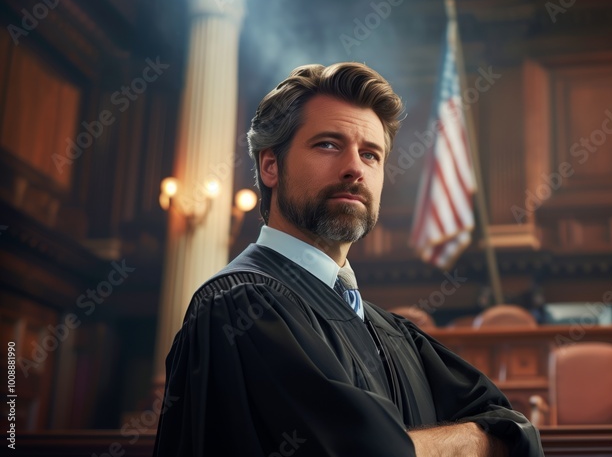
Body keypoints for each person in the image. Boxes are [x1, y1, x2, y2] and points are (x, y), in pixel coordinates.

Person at [153, 62, 543, 457]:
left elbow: (518, 431)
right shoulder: (238, 308)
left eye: (371, 154)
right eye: (328, 144)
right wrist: (477, 441)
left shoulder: (393, 331)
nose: (355, 168)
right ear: (270, 165)